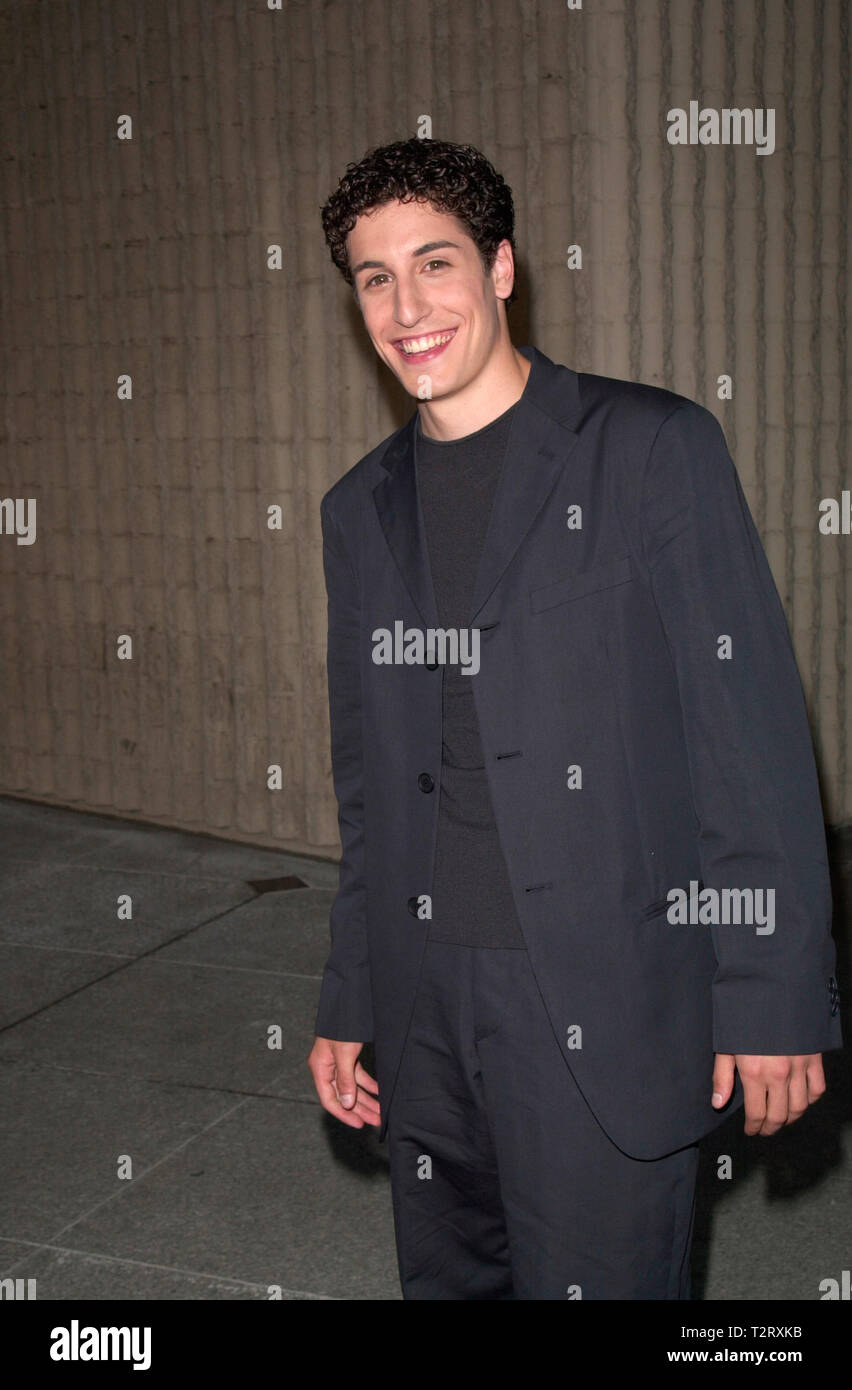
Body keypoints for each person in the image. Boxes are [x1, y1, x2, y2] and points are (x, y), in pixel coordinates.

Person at [306, 136, 842, 1300]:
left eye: (435, 263)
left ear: (502, 269)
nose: (407, 306)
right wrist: (352, 993)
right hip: (426, 1000)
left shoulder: (651, 448)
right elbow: (373, 783)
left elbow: (748, 738)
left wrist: (774, 997)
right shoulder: (358, 512)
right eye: (375, 277)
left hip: (603, 991)